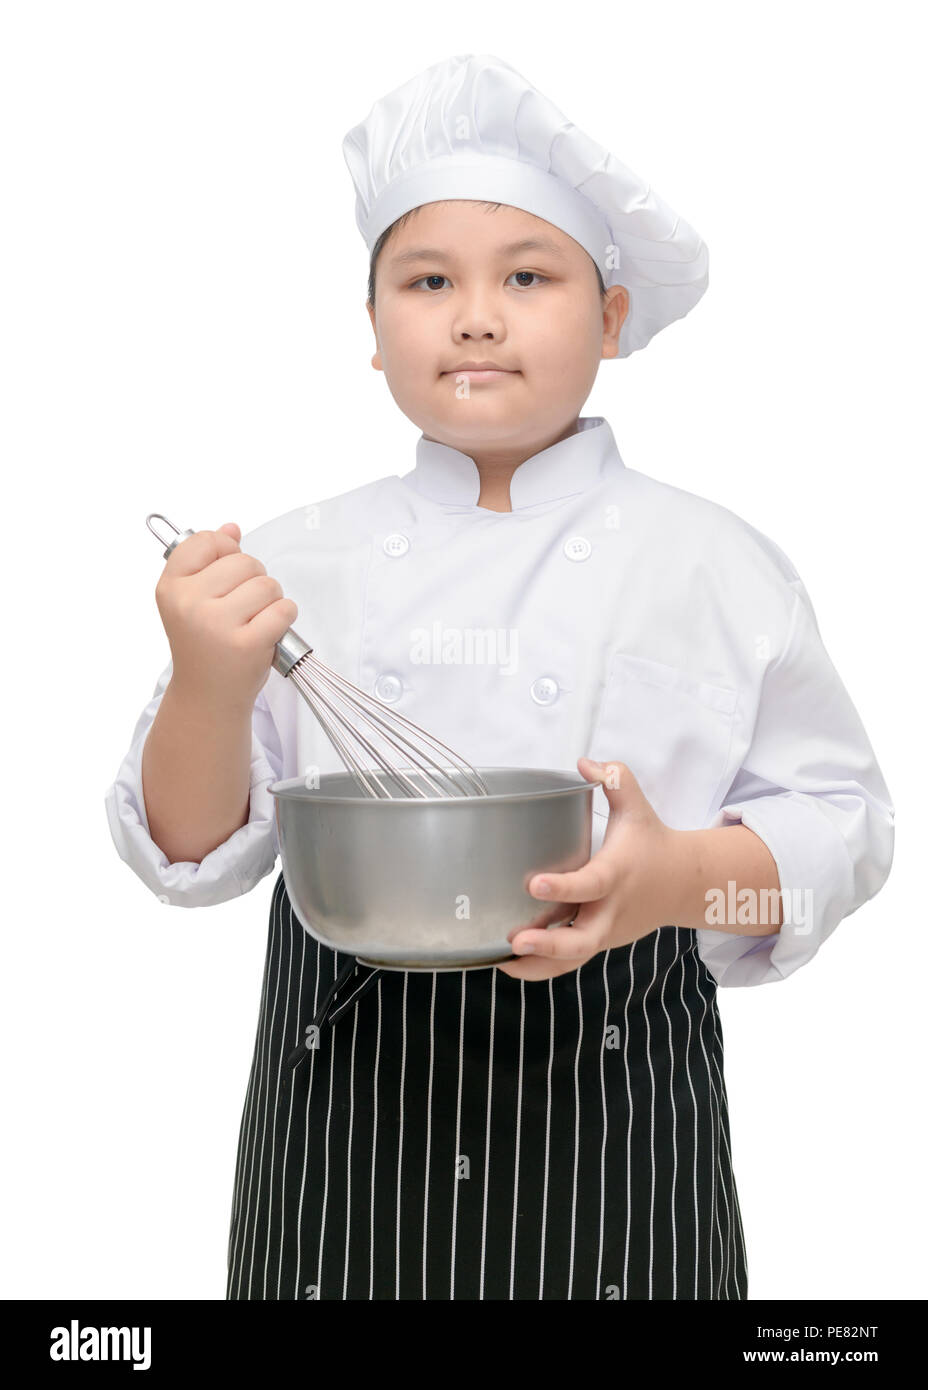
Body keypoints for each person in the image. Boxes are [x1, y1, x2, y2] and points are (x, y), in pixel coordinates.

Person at [104, 53, 895, 1301]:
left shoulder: (715, 564)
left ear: (613, 318)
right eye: (428, 281)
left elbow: (843, 846)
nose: (475, 316)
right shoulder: (293, 560)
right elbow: (186, 859)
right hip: (345, 1131)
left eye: (527, 276)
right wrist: (207, 681)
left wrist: (678, 882)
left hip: (619, 1122)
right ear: (373, 331)